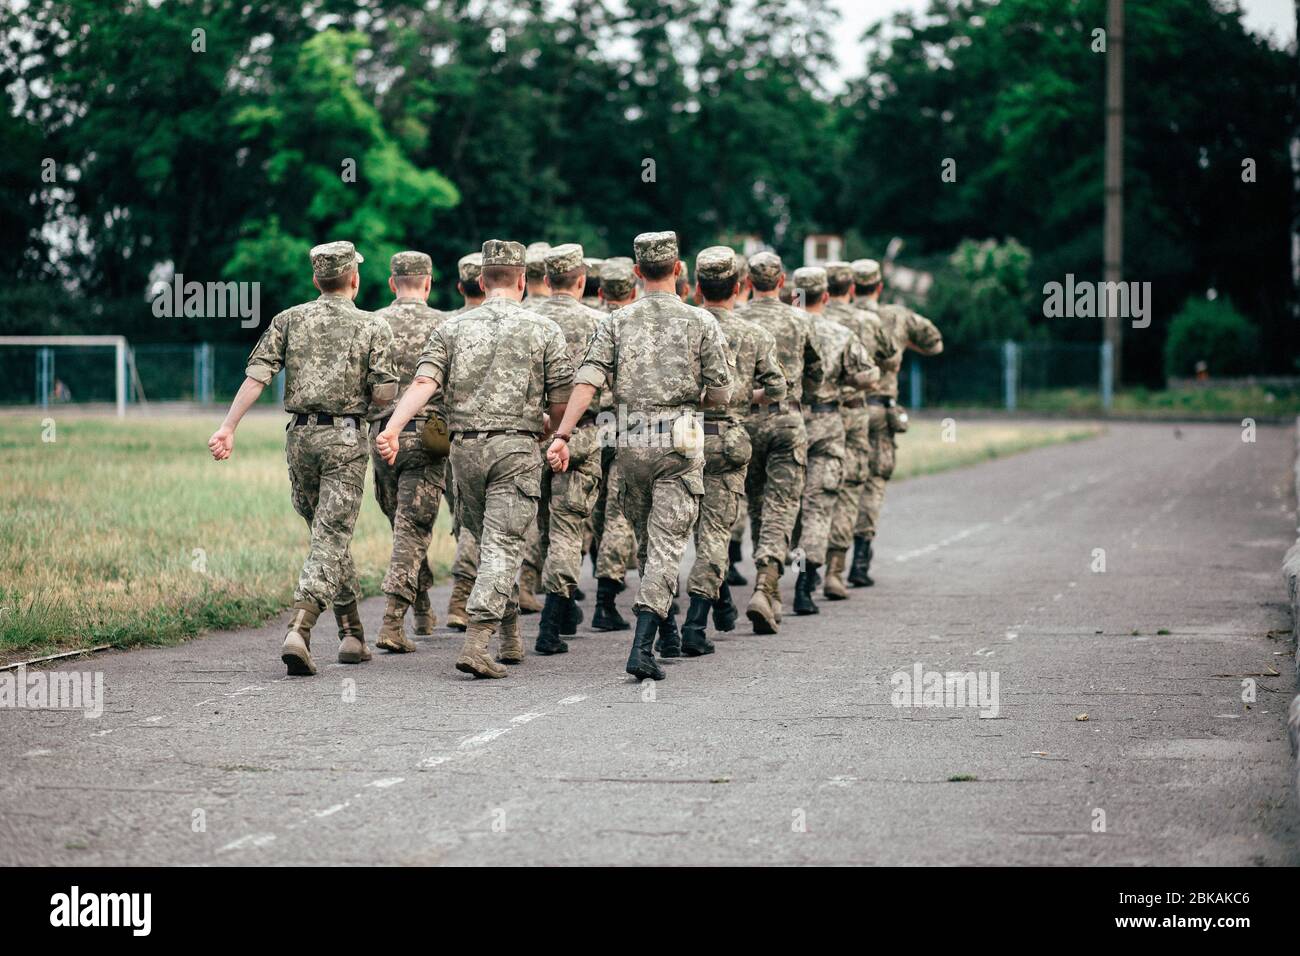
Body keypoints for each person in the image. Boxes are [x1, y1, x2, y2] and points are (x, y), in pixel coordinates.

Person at [376, 239, 574, 678]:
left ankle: (509, 637)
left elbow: (424, 383)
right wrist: (556, 432)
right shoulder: (543, 329)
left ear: (482, 281)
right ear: (523, 280)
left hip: (463, 451)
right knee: (504, 544)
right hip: (517, 449)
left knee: (489, 542)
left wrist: (392, 428)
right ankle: (478, 641)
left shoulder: (452, 328)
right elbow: (562, 398)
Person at [544, 231, 731, 681]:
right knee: (668, 543)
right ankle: (643, 645)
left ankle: (667, 631)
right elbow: (722, 393)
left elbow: (586, 382)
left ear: (635, 273)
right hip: (678, 442)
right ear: (679, 270)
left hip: (628, 440)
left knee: (648, 539)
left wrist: (563, 434)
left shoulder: (614, 322)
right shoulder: (701, 322)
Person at [208, 241, 396, 676]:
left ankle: (352, 635)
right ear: (354, 278)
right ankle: (300, 628)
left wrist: (228, 427)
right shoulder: (372, 326)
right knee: (331, 537)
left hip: (300, 439)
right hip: (346, 439)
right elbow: (385, 394)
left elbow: (257, 376)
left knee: (326, 537)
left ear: (316, 279)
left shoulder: (288, 320)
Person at [674, 246, 784, 657]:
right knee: (715, 533)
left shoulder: (680, 326)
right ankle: (696, 623)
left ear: (698, 288)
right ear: (738, 287)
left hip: (680, 436)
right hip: (727, 436)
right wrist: (743, 398)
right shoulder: (755, 333)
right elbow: (777, 389)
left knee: (672, 530)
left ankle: (673, 615)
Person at [735, 251, 823, 634]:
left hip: (745, 422)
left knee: (756, 503)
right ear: (782, 282)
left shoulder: (735, 319)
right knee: (782, 506)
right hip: (788, 420)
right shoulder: (801, 320)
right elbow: (818, 372)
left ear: (748, 283)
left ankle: (765, 587)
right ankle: (766, 585)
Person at [367, 251, 451, 653]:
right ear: (429, 283)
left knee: (402, 526)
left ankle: (419, 608)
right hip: (427, 437)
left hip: (381, 437)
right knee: (412, 528)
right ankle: (391, 624)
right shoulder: (446, 324)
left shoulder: (372, 323)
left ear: (391, 283)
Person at [529, 243, 609, 655]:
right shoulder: (601, 321)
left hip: (533, 433)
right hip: (580, 433)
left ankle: (553, 611)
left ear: (544, 281)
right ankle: (553, 623)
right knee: (568, 527)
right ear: (581, 281)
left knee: (540, 526)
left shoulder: (527, 319)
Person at [789, 265, 877, 616]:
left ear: (795, 295)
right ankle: (806, 585)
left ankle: (781, 572)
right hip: (827, 421)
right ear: (825, 297)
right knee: (820, 505)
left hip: (788, 419)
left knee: (785, 504)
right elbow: (868, 375)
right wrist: (846, 382)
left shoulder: (782, 329)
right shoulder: (840, 334)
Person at [850, 258, 944, 587]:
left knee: (841, 482)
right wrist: (904, 344)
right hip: (882, 409)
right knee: (874, 482)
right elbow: (935, 343)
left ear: (851, 287)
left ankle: (825, 562)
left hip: (845, 411)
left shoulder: (838, 316)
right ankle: (860, 560)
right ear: (878, 287)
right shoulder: (896, 316)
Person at [823, 261, 897, 601]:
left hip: (813, 415)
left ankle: (799, 567)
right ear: (851, 289)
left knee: (811, 491)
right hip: (856, 413)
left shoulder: (811, 319)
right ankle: (841, 568)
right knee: (855, 486)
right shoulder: (868, 321)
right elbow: (891, 358)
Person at [588, 256, 639, 630]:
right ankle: (606, 597)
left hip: (590, 425)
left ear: (602, 291)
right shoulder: (634, 325)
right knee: (619, 513)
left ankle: (578, 585)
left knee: (591, 507)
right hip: (623, 424)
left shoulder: (591, 319)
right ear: (633, 289)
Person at [444, 251, 484, 629]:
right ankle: (464, 600)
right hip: (503, 441)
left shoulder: (448, 325)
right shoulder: (507, 325)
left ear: (461, 286)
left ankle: (455, 599)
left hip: (447, 436)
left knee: (464, 521)